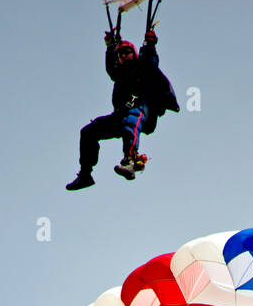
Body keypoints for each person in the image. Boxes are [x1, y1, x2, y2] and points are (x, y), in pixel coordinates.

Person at [66, 28, 179, 190]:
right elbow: (111, 67)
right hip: (120, 115)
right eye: (120, 54)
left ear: (134, 54)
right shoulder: (118, 73)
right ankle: (85, 175)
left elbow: (151, 62)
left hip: (142, 111)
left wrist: (150, 44)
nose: (123, 56)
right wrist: (110, 46)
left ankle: (130, 160)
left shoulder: (143, 67)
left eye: (127, 52)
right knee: (88, 132)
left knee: (131, 119)